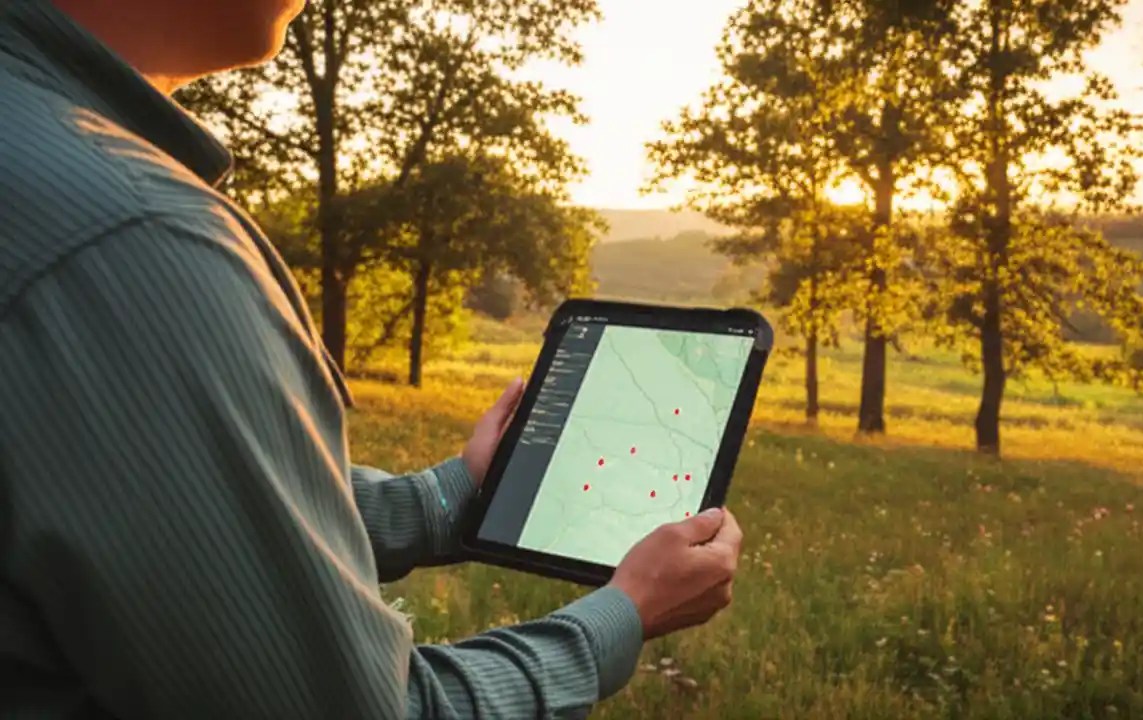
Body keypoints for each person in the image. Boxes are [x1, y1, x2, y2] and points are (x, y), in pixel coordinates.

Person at [0, 0, 744, 717]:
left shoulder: (43, 162)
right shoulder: (139, 240)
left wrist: (455, 494)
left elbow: (163, 504)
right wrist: (620, 616)